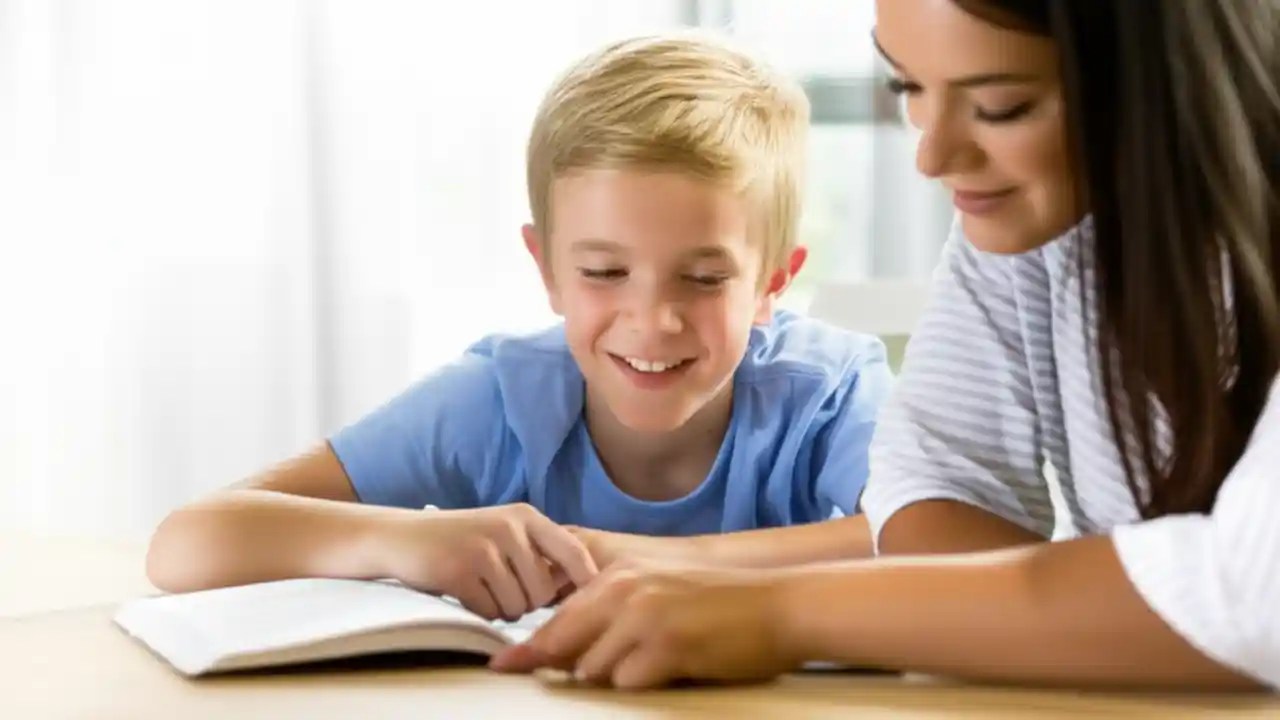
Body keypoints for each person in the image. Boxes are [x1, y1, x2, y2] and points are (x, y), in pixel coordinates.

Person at [492, 0, 1280, 691]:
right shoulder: (1031, 227)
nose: (932, 158)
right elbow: (938, 483)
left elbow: (1253, 593)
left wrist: (779, 613)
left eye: (1002, 107)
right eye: (908, 87)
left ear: (1160, 84)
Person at [143, 33, 894, 622]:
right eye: (604, 272)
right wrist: (406, 542)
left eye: (703, 279)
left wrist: (652, 560)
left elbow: (942, 543)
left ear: (772, 284)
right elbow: (187, 543)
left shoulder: (824, 391)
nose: (652, 321)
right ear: (547, 268)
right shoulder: (500, 399)